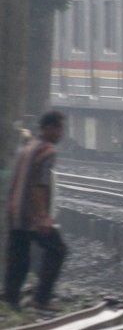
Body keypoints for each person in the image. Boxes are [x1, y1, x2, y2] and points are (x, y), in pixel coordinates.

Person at [5, 111, 68, 312]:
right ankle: (41, 298)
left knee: (18, 259)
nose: (61, 134)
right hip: (31, 216)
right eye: (59, 129)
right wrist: (42, 217)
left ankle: (11, 300)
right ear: (49, 128)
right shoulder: (47, 151)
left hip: (15, 212)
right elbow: (39, 186)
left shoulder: (28, 147)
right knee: (58, 250)